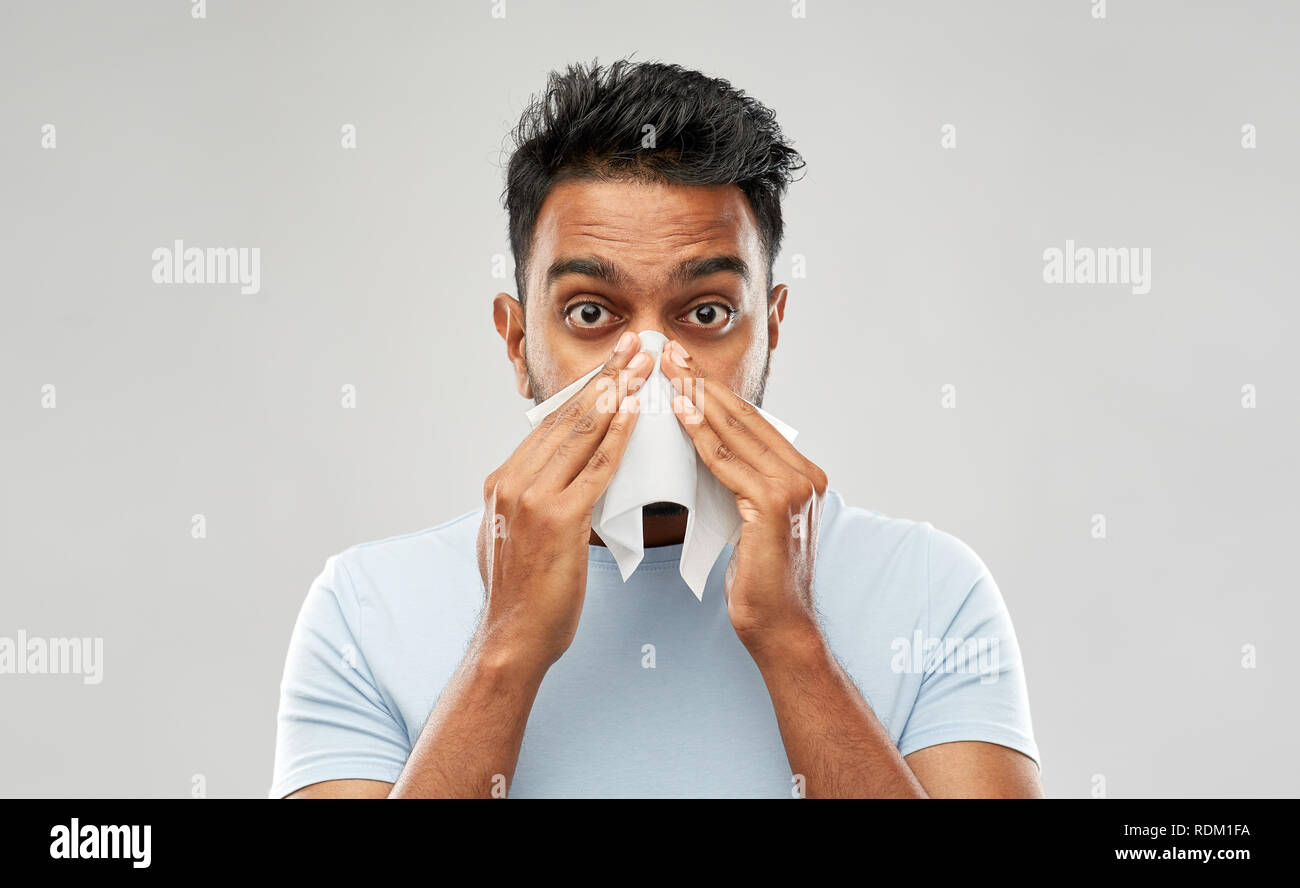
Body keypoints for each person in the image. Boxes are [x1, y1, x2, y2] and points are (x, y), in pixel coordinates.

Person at [270, 58, 1042, 798]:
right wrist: (506, 648)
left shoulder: (932, 591)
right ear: (517, 342)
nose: (650, 366)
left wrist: (792, 641)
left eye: (706, 313)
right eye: (591, 314)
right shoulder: (365, 608)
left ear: (769, 329)